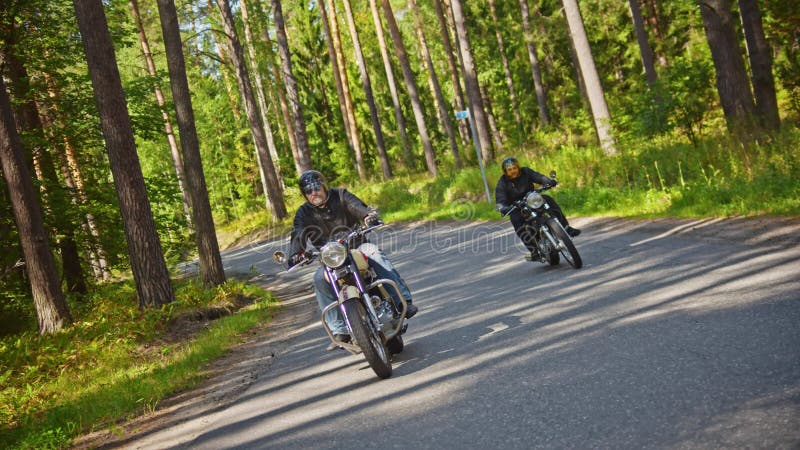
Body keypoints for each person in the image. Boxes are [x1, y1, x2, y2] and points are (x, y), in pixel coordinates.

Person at [288, 170, 417, 350]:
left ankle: (402, 300)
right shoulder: (304, 212)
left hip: (357, 246)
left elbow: (357, 206)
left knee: (374, 253)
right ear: (305, 195)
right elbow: (298, 232)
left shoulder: (340, 196)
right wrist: (296, 253)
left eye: (316, 187)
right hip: (332, 258)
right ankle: (339, 329)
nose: (313, 193)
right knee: (318, 279)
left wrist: (367, 216)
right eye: (308, 191)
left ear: (323, 186)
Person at [494, 157, 581, 259]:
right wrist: (503, 207)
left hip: (532, 198)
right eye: (510, 170)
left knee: (548, 200)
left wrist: (548, 181)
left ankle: (566, 227)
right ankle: (533, 250)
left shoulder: (525, 171)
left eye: (514, 168)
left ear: (518, 167)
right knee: (515, 219)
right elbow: (500, 198)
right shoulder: (502, 182)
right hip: (517, 206)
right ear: (505, 172)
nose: (513, 171)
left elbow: (538, 177)